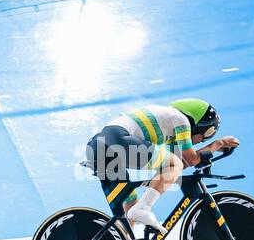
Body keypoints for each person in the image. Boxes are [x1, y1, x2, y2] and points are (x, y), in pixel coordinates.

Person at [85, 99, 238, 233]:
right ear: (198, 124)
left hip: (98, 147)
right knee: (140, 207)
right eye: (204, 135)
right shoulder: (181, 120)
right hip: (117, 139)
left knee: (128, 210)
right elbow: (190, 159)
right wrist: (219, 143)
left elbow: (176, 168)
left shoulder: (169, 126)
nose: (200, 141)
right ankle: (143, 208)